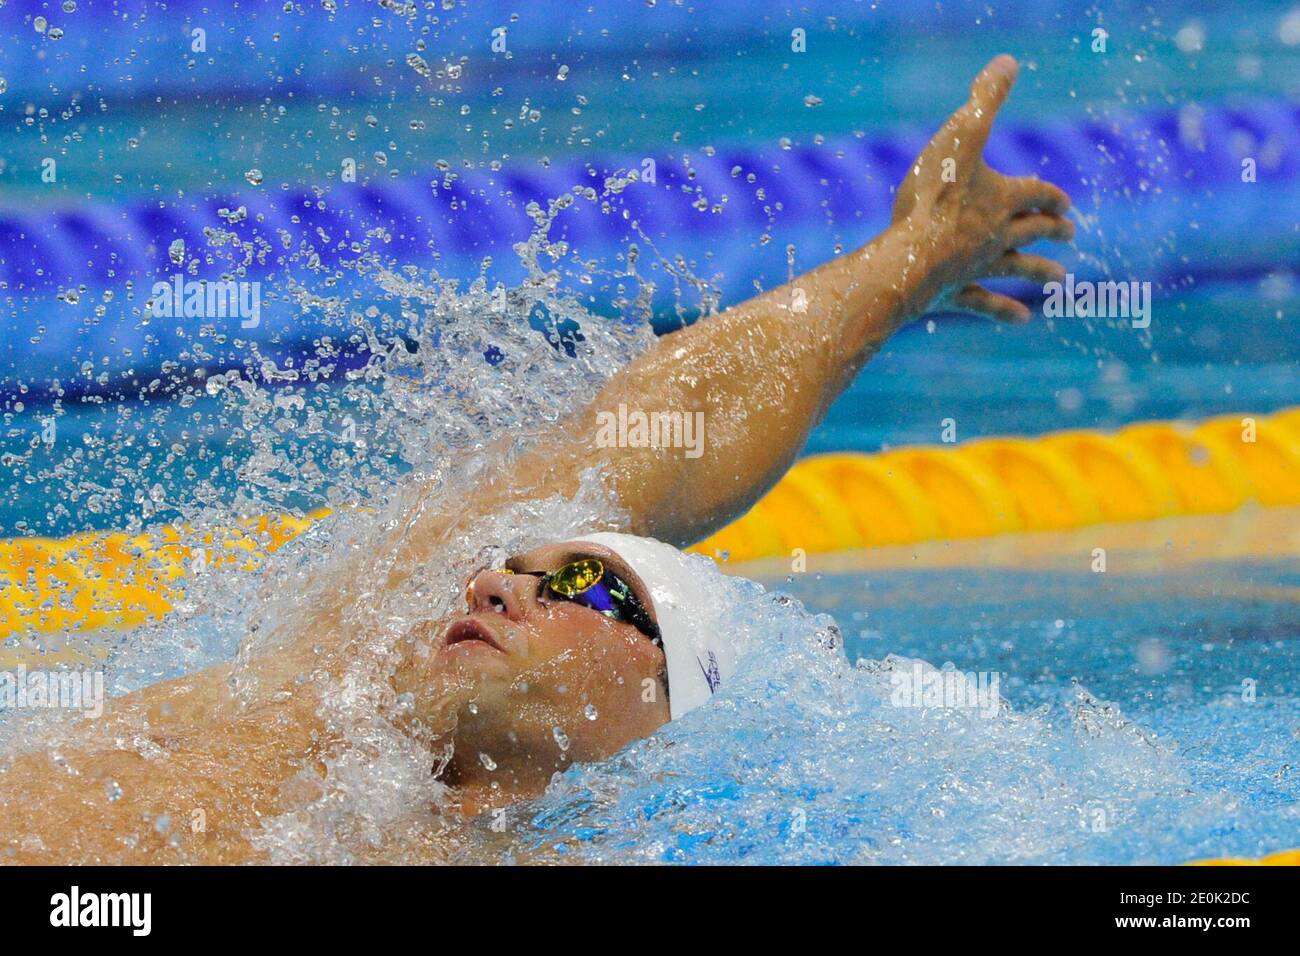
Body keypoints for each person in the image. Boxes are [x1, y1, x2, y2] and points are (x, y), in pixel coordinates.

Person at [0, 55, 1072, 864]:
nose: (501, 576)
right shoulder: (342, 666)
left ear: (661, 694)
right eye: (515, 561)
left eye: (579, 580)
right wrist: (911, 257)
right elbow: (647, 431)